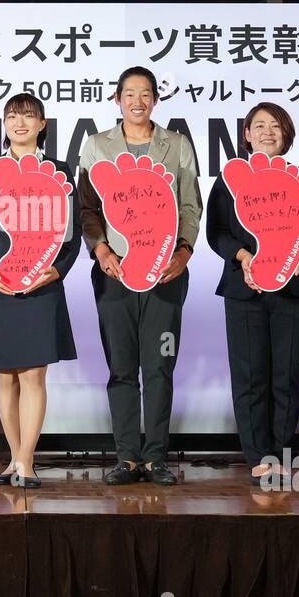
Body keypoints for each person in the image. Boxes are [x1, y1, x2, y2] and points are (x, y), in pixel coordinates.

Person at [78, 66, 203, 486]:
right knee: (121, 368)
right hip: (114, 273)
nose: (137, 101)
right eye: (129, 94)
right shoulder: (97, 146)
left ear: (155, 99)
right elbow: (87, 209)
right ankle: (127, 457)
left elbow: (190, 205)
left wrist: (184, 251)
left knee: (159, 367)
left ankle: (156, 458)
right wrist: (100, 249)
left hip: (166, 274)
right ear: (117, 99)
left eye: (145, 94)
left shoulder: (177, 145)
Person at [206, 102, 299, 484]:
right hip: (245, 290)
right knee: (249, 376)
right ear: (246, 135)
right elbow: (216, 232)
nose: (267, 132)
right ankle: (258, 454)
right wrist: (243, 257)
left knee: (287, 374)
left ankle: (282, 452)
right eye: (258, 125)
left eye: (275, 126)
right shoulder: (229, 180)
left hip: (294, 289)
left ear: (287, 134)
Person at [0, 93, 80, 489]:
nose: (20, 123)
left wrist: (57, 270)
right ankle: (14, 457)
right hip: (0, 284)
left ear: (43, 124)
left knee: (32, 376)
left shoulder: (59, 171)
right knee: (5, 378)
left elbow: (72, 236)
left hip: (41, 286)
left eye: (29, 116)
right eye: (12, 116)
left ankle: (27, 460)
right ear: (4, 123)